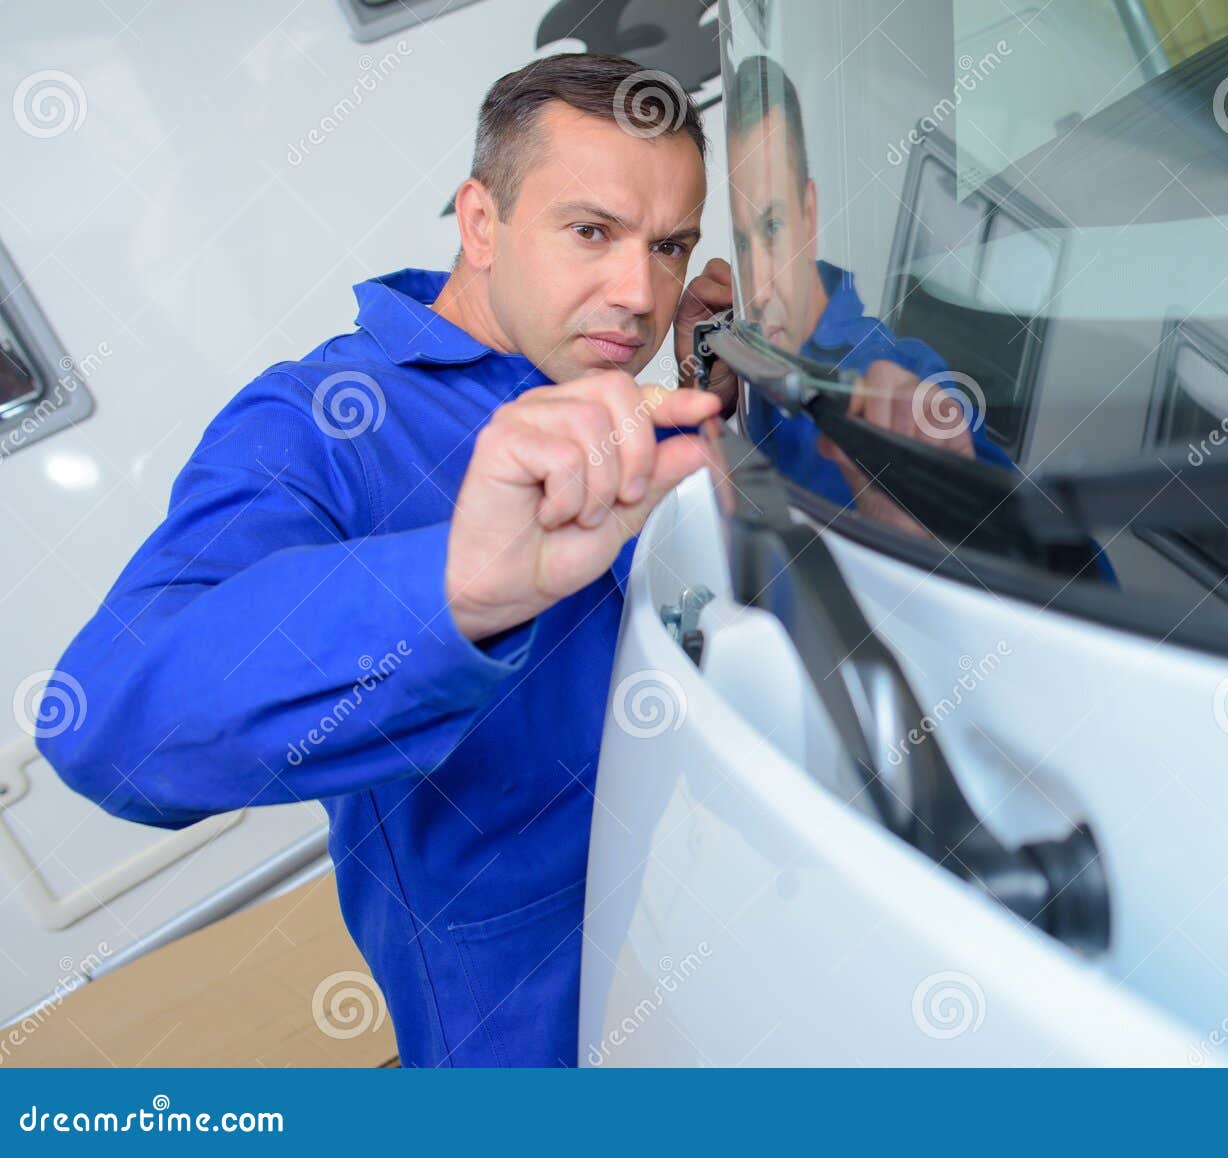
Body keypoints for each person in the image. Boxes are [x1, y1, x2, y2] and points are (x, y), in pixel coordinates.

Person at [35, 53, 738, 1068]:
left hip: (696, 939)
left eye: (668, 245)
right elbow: (105, 724)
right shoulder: (322, 422)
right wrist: (454, 591)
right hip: (527, 1023)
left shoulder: (628, 389)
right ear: (481, 221)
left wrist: (725, 399)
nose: (637, 290)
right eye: (591, 231)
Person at [723, 54, 1013, 523]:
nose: (756, 290)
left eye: (772, 226)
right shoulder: (754, 359)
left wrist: (949, 525)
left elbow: (1063, 568)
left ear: (810, 214)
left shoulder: (902, 375)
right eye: (741, 241)